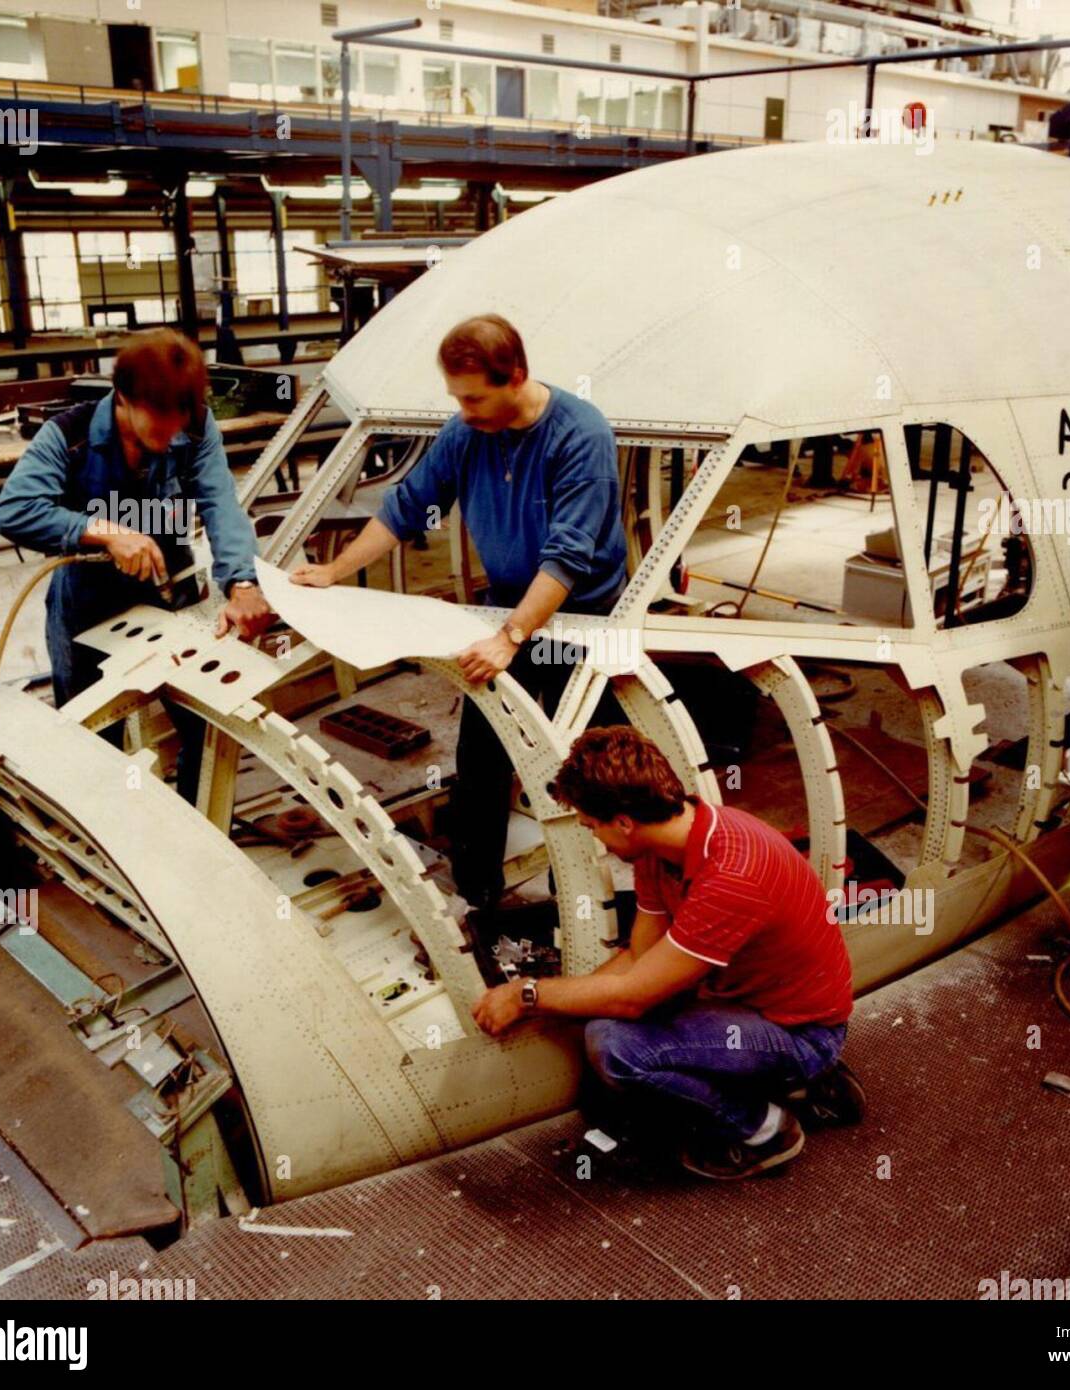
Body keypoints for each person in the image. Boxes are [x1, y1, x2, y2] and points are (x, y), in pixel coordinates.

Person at [291, 313, 628, 926]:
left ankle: (577, 900)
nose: (463, 409)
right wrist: (336, 571)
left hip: (583, 616)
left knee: (581, 762)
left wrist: (510, 638)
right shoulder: (467, 431)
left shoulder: (582, 434)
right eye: (456, 397)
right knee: (484, 752)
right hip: (508, 606)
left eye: (473, 397)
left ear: (515, 377)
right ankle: (478, 894)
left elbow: (569, 556)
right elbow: (409, 507)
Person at [471, 725, 863, 1181]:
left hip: (803, 1033)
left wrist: (528, 996)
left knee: (619, 1049)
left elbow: (633, 997)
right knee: (610, 1022)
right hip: (744, 1001)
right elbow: (641, 955)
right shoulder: (663, 847)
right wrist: (562, 996)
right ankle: (797, 1085)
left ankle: (766, 1130)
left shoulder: (733, 876)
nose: (595, 838)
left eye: (592, 825)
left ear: (623, 822)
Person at [0, 329, 274, 800]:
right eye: (160, 420)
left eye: (181, 418)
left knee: (206, 720)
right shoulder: (69, 436)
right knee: (91, 732)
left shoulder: (196, 428)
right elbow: (14, 510)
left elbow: (221, 503)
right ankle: (109, 849)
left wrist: (243, 582)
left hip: (170, 594)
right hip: (85, 603)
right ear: (122, 397)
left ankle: (191, 827)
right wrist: (104, 531)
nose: (172, 435)